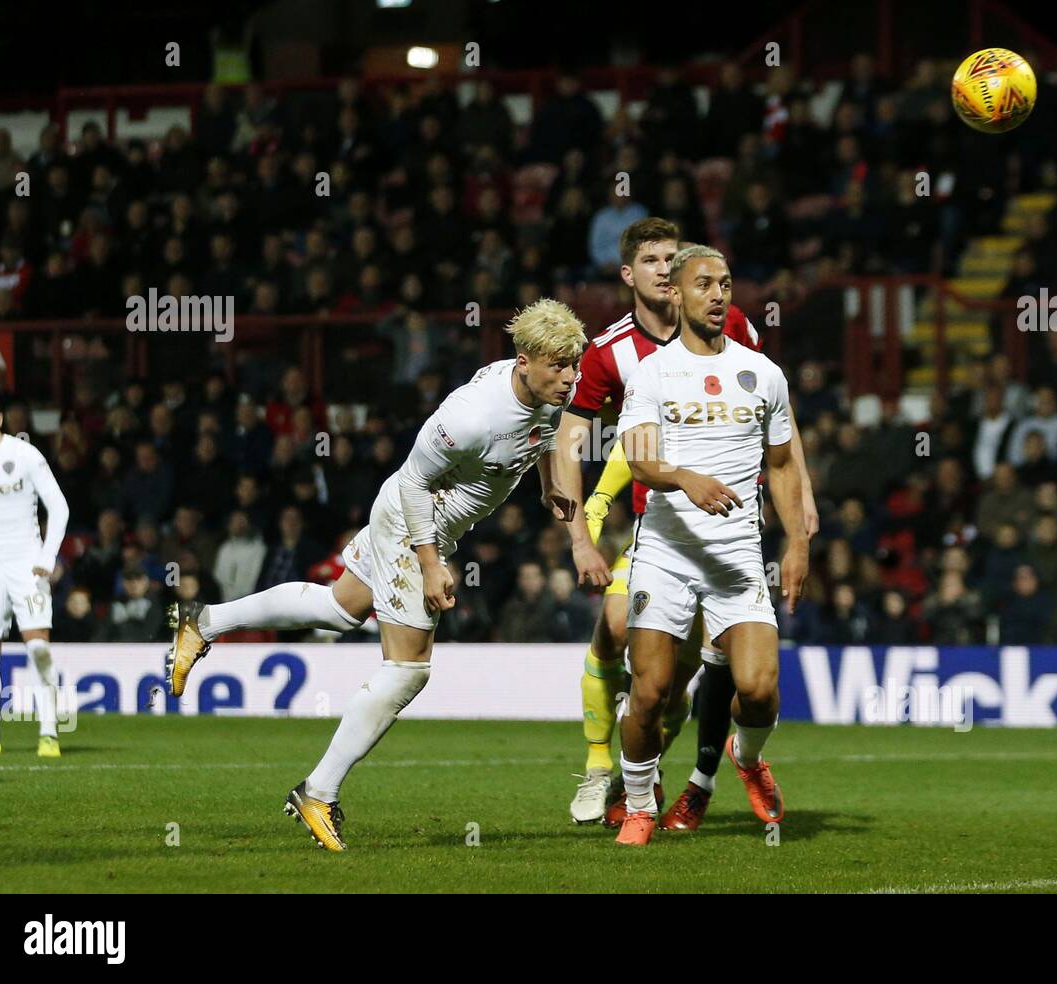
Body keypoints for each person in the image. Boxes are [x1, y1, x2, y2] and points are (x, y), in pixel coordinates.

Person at [167, 300, 586, 850]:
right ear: (524, 360)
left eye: (575, 364)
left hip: (433, 526)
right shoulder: (470, 416)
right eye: (559, 365)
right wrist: (431, 563)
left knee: (339, 608)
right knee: (408, 670)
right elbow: (413, 484)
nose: (571, 377)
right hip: (412, 523)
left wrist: (547, 485)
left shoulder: (551, 392)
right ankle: (319, 790)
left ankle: (204, 620)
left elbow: (544, 437)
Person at [555, 218, 816, 828]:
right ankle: (607, 774)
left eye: (720, 281)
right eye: (656, 262)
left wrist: (801, 514)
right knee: (628, 646)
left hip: (735, 539)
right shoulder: (618, 355)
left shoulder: (749, 348)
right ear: (647, 280)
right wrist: (581, 528)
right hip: (661, 534)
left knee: (734, 681)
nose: (714, 293)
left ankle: (709, 771)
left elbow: (779, 439)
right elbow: (575, 441)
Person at [613, 245, 808, 846]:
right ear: (675, 293)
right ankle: (641, 803)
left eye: (725, 283)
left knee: (758, 688)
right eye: (704, 284)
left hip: (737, 555)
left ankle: (746, 759)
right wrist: (684, 478)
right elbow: (640, 461)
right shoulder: (653, 372)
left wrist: (797, 540)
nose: (719, 294)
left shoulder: (762, 372)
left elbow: (781, 465)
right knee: (649, 694)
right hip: (667, 554)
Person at [0, 389, 70, 758]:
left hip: (26, 564)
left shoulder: (24, 454)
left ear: (0, 418)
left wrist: (48, 556)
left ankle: (48, 733)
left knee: (38, 646)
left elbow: (58, 509)